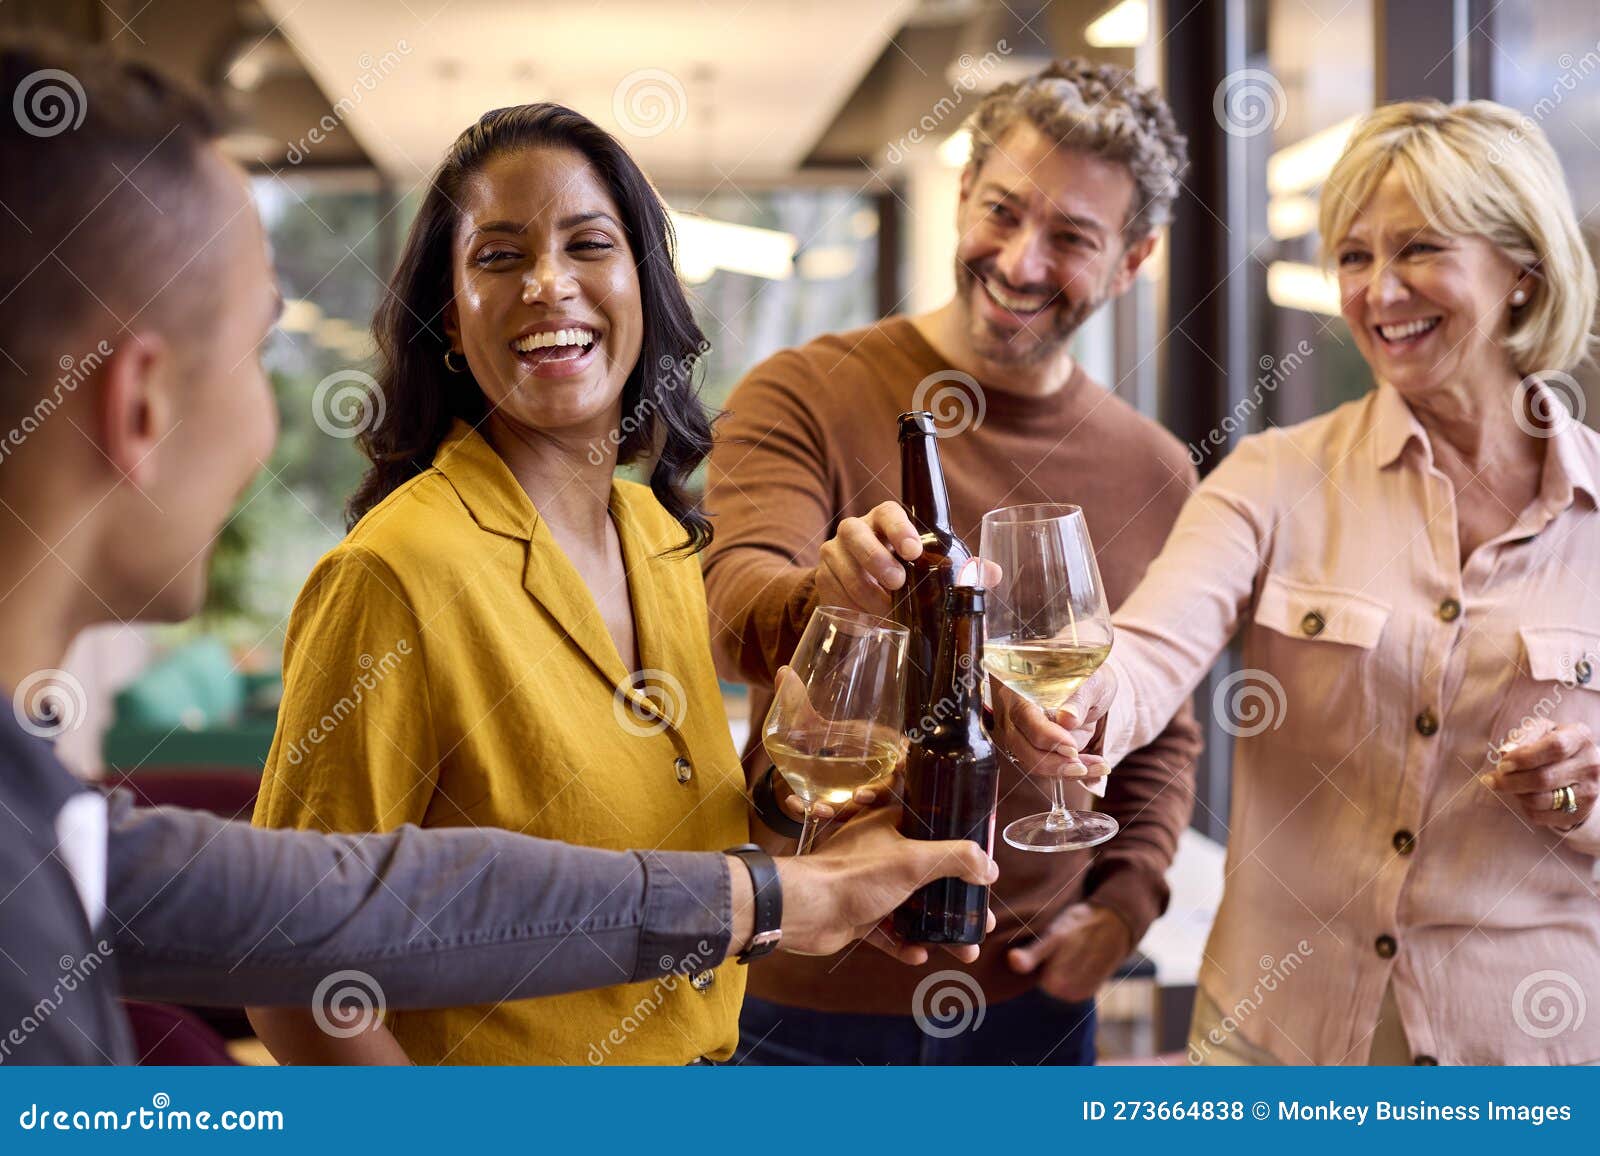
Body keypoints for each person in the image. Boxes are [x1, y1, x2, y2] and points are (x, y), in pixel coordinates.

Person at [0, 35, 997, 1066]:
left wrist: (803, 823)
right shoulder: (394, 572)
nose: (548, 287)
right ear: (451, 319)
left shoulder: (658, 536)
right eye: (500, 256)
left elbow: (678, 852)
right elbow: (300, 976)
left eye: (589, 245)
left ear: (647, 286)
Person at [1055, 100, 1600, 1065]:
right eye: (1353, 256)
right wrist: (1080, 696)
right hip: (1277, 1048)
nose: (1379, 291)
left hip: (1531, 1054)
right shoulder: (1274, 475)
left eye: (1420, 249)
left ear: (1525, 270)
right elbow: (1147, 651)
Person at [703, 59, 1202, 1065]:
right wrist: (828, 591)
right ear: (961, 198)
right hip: (808, 993)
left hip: (1030, 1000)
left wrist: (1125, 903)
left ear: (1133, 258)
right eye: (1001, 211)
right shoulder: (803, 389)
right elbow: (732, 609)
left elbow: (1165, 724)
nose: (1019, 261)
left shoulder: (1153, 466)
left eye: (1069, 237)